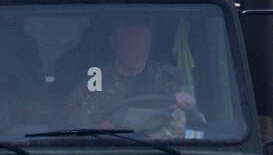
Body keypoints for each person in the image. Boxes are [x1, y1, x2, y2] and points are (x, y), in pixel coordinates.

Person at [65, 19, 197, 137]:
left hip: (160, 153)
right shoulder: (95, 80)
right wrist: (101, 127)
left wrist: (185, 100)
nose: (136, 48)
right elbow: (69, 123)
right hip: (104, 151)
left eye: (142, 42)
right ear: (114, 42)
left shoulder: (168, 76)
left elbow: (192, 112)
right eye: (129, 42)